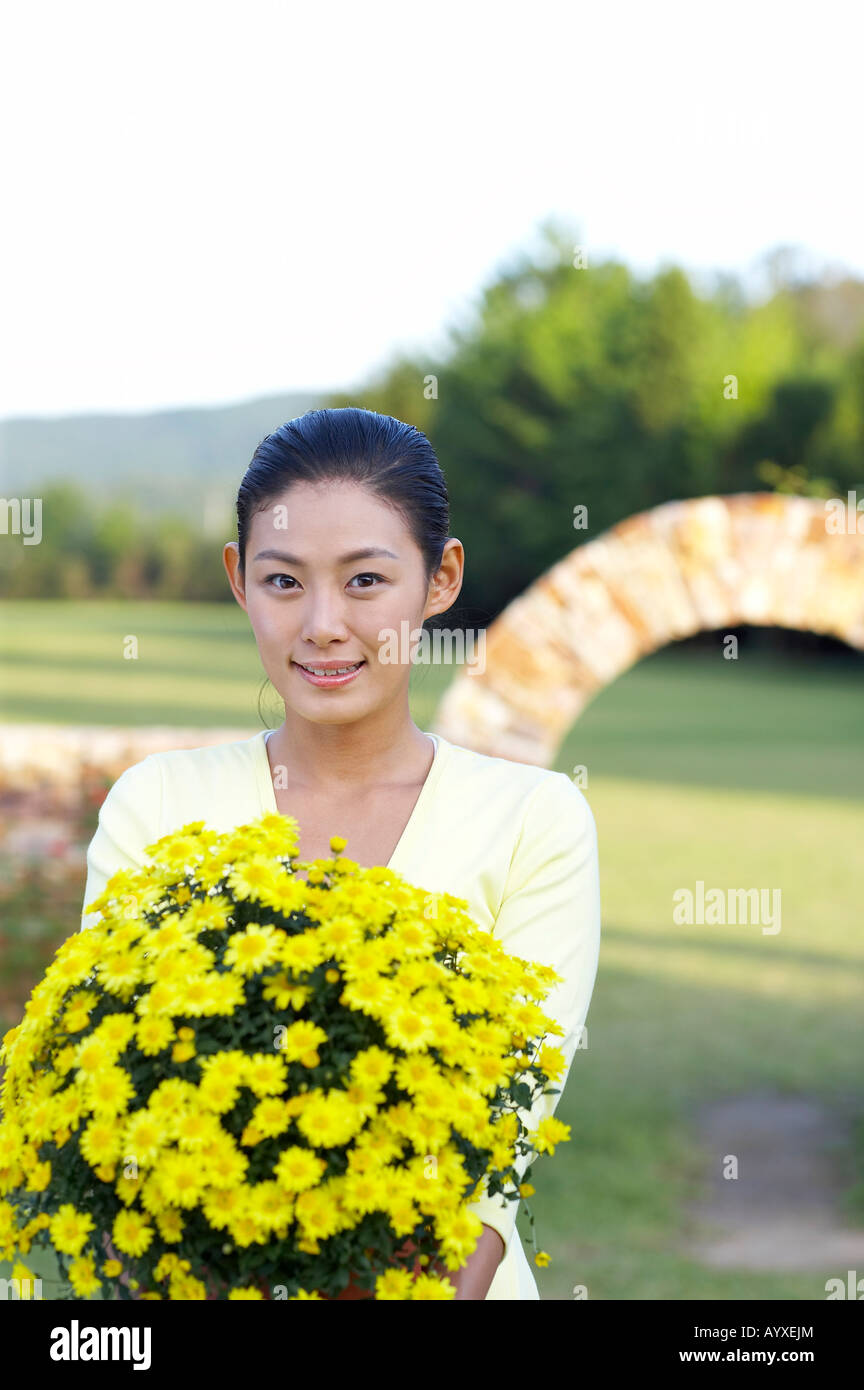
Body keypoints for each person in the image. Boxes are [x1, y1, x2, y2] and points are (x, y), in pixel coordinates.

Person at [80, 406, 601, 1300]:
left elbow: (492, 1165)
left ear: (441, 579)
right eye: (285, 582)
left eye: (365, 581)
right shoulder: (157, 805)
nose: (323, 624)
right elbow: (119, 1108)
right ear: (241, 580)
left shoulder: (534, 820)